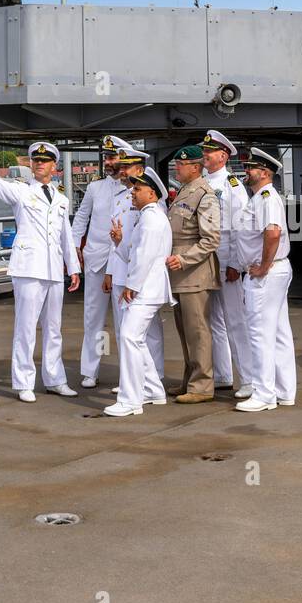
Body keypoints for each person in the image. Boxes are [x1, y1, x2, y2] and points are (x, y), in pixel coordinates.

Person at [0, 141, 80, 399]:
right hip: (28, 268)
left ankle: (55, 379)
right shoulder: (22, 192)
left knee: (54, 328)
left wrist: (73, 268)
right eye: (35, 160)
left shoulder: (61, 198)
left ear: (54, 165)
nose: (39, 164)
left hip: (53, 269)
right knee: (26, 328)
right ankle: (24, 382)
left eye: (45, 160)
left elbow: (65, 235)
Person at [104, 167, 174, 416]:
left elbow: (144, 258)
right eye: (133, 189)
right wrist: (119, 241)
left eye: (138, 189)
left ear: (152, 194)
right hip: (147, 288)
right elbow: (132, 254)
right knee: (136, 339)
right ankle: (153, 390)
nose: (133, 193)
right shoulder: (147, 216)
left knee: (129, 338)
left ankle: (131, 399)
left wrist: (131, 286)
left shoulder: (152, 218)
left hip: (146, 289)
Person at [233, 147, 296, 412]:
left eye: (250, 168)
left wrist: (263, 267)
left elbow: (272, 233)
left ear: (264, 172)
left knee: (259, 333)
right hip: (276, 270)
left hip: (267, 274)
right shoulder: (260, 197)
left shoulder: (267, 197)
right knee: (279, 332)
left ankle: (264, 394)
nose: (246, 172)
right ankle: (284, 391)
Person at [71, 135, 130, 388]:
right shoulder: (95, 188)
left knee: (123, 321)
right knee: (93, 319)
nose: (108, 162)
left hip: (120, 261)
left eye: (112, 157)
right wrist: (74, 248)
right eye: (106, 157)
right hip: (96, 260)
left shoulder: (132, 188)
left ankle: (126, 375)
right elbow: (81, 218)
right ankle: (90, 370)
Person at [166, 145, 221, 403]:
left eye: (181, 164)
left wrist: (184, 259)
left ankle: (202, 386)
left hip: (194, 274)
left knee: (197, 330)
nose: (177, 167)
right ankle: (190, 381)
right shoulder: (185, 192)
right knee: (185, 331)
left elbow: (210, 240)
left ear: (195, 167)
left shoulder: (204, 195)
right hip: (180, 275)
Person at [201, 129, 253, 398]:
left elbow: (241, 226)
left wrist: (236, 263)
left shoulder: (232, 185)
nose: (205, 155)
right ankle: (222, 375)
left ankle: (249, 379)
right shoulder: (201, 182)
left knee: (235, 321)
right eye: (205, 151)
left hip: (226, 261)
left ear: (223, 156)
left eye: (210, 152)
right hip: (205, 261)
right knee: (213, 322)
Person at [107, 146, 165, 388]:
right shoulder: (121, 197)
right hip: (123, 268)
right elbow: (117, 239)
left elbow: (149, 247)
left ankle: (155, 376)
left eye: (127, 167)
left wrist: (135, 281)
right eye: (121, 167)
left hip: (142, 276)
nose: (122, 171)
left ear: (139, 170)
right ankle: (130, 378)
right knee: (125, 331)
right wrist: (111, 271)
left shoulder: (152, 206)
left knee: (147, 333)